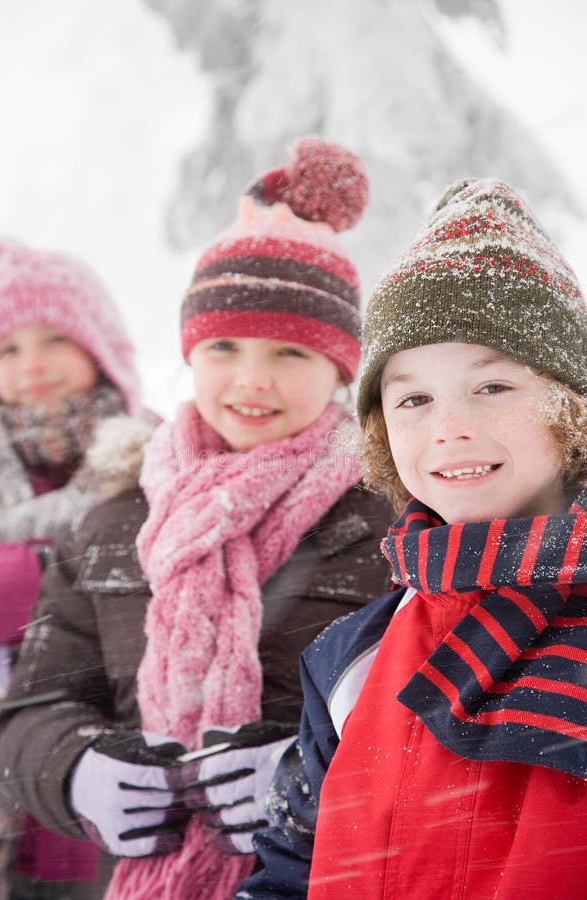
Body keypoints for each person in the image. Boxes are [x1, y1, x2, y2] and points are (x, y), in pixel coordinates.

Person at [0, 137, 395, 900]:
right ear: (189, 353)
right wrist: (76, 770)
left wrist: (309, 776)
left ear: (341, 370)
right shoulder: (111, 524)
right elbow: (31, 713)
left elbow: (432, 720)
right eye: (225, 347)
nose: (251, 379)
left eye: (290, 354)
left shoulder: (391, 524)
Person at [237, 178, 587, 899]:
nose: (448, 427)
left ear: (570, 407)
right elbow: (287, 871)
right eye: (414, 399)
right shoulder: (351, 659)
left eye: (492, 387)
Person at [0, 238, 154, 900]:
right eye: (8, 347)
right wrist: (54, 563)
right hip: (11, 819)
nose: (32, 365)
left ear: (100, 344)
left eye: (53, 338)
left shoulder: (162, 452)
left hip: (133, 798)